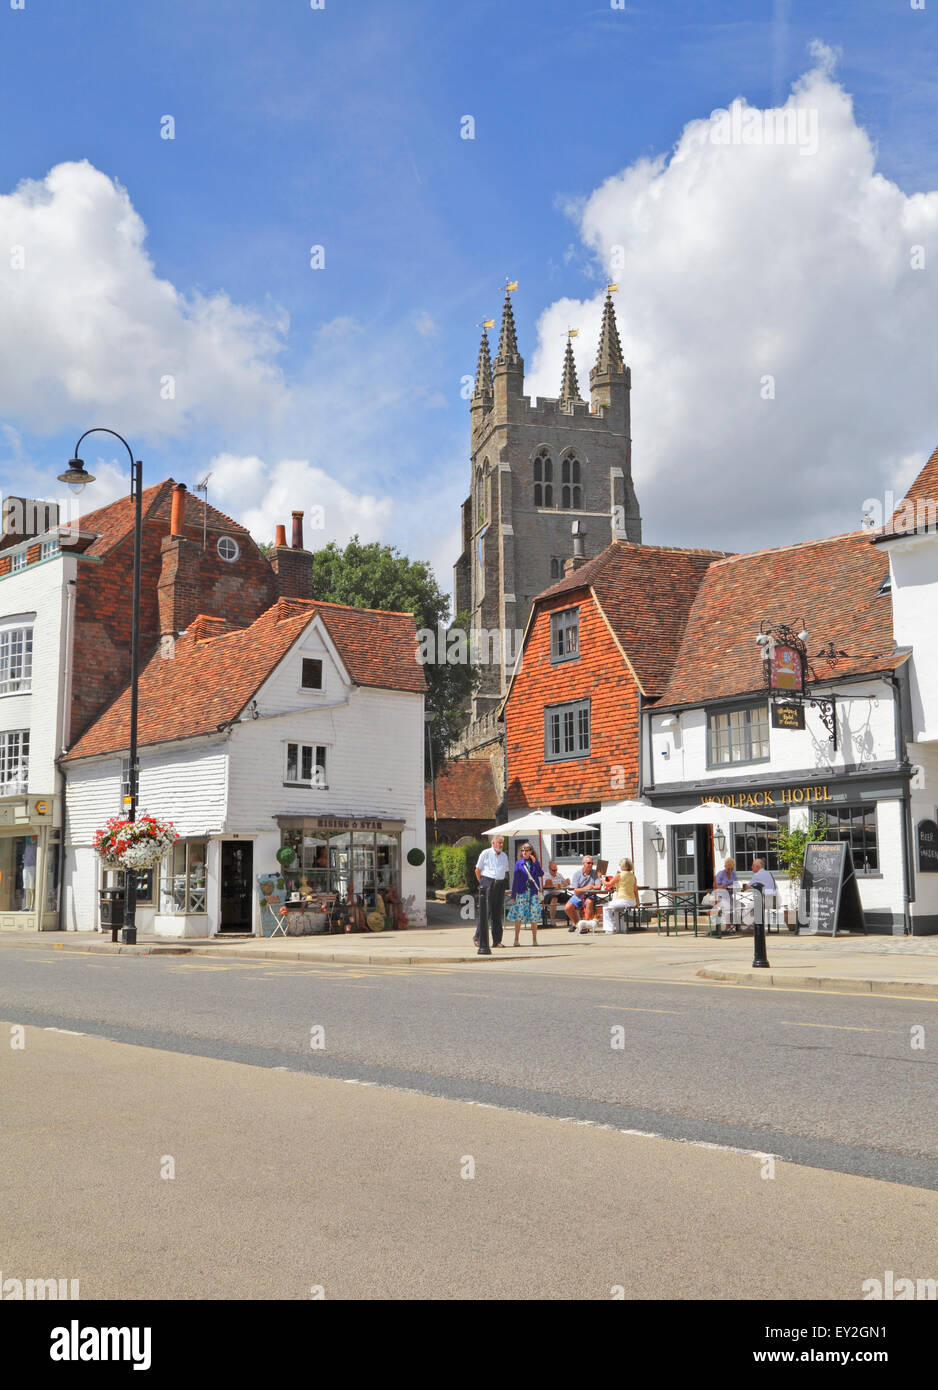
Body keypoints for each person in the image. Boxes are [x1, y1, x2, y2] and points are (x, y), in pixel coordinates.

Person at [474, 835, 509, 954]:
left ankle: (497, 940)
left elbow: (504, 872)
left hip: (499, 884)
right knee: (485, 912)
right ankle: (478, 937)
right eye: (498, 842)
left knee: (497, 913)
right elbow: (477, 870)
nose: (500, 845)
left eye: (502, 843)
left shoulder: (504, 856)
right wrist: (483, 884)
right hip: (487, 882)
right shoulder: (485, 853)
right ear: (493, 843)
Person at [507, 842, 544, 946]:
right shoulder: (519, 863)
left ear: (531, 851)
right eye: (522, 850)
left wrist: (535, 862)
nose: (524, 852)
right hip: (522, 892)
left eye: (526, 850)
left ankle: (534, 940)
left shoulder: (535, 863)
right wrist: (513, 895)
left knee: (534, 916)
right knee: (519, 916)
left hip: (533, 893)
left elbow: (541, 874)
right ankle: (516, 940)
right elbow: (515, 880)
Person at [565, 855, 601, 934]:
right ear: (583, 863)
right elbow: (575, 890)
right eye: (588, 863)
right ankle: (577, 924)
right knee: (567, 907)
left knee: (589, 902)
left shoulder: (594, 873)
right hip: (578, 896)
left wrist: (591, 888)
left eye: (592, 863)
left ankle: (585, 926)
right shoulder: (577, 874)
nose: (590, 865)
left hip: (589, 895)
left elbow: (598, 886)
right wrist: (585, 888)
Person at [602, 858, 639, 933]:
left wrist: (601, 879)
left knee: (605, 907)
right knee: (617, 910)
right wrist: (638, 901)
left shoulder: (619, 875)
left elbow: (608, 884)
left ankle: (609, 929)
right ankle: (621, 928)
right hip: (632, 901)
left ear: (622, 866)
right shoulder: (633, 876)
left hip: (623, 900)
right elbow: (635, 889)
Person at [743, 858, 779, 927]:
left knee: (748, 905)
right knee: (754, 903)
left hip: (765, 900)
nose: (751, 867)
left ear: (757, 866)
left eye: (753, 866)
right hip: (774, 900)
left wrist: (743, 886)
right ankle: (754, 924)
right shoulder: (769, 873)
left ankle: (750, 925)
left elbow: (748, 887)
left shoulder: (757, 875)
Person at [714, 857, 739, 934]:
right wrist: (723, 886)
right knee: (728, 906)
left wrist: (734, 886)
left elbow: (736, 883)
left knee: (739, 905)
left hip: (730, 894)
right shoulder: (720, 874)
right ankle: (727, 927)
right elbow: (716, 886)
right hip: (721, 895)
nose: (730, 871)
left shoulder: (733, 874)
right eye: (728, 869)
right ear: (725, 867)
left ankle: (738, 926)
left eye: (731, 869)